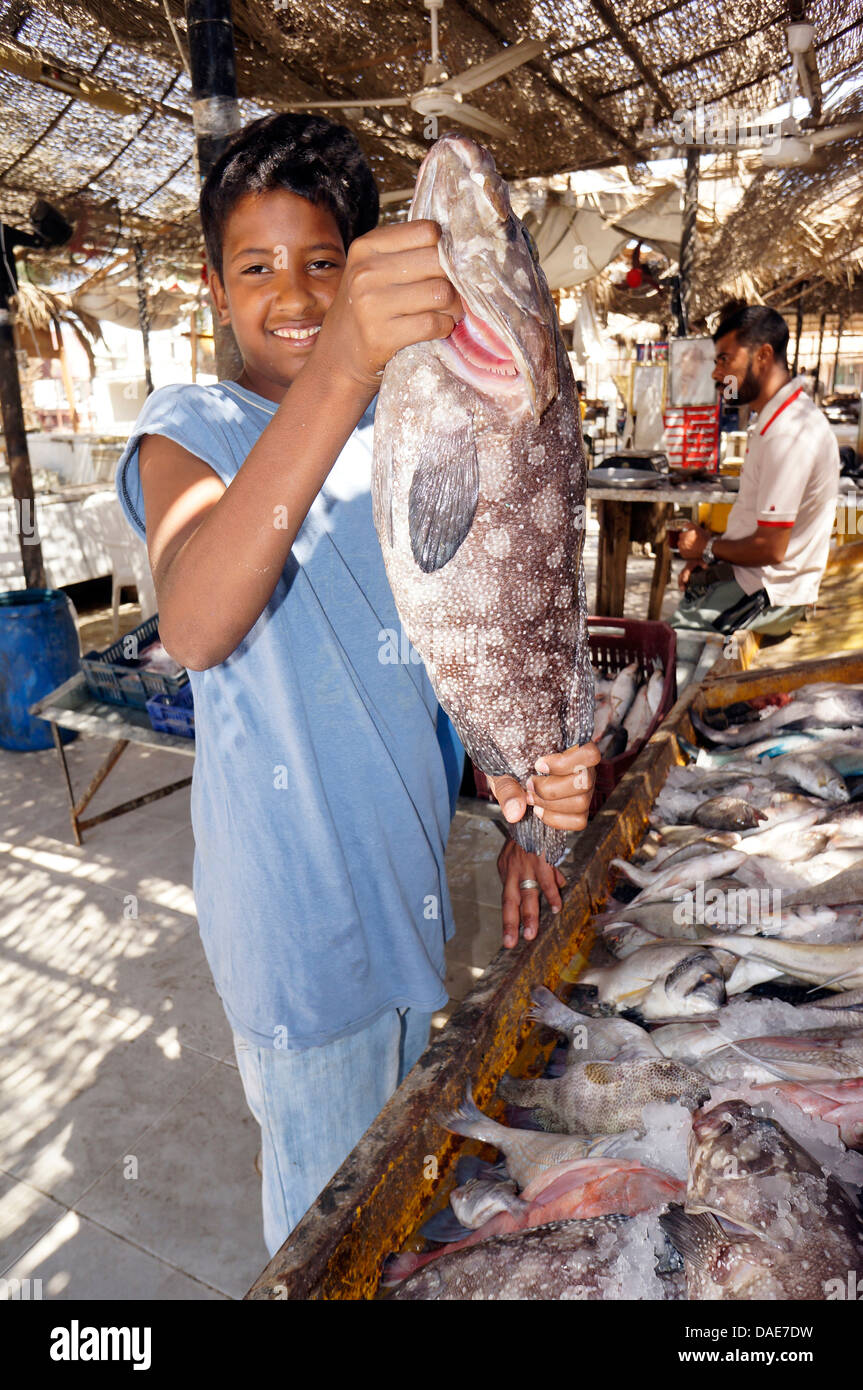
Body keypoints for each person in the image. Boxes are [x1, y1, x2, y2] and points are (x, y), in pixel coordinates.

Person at [115, 114, 599, 1258]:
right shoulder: (189, 432)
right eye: (257, 265)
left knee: (388, 1176)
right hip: (295, 934)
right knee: (328, 1225)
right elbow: (192, 620)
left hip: (405, 905)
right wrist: (340, 367)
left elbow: (455, 645)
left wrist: (526, 802)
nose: (291, 292)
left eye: (321, 262)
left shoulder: (409, 425)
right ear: (211, 285)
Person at [671, 301, 839, 638]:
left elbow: (770, 547)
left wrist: (706, 546)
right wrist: (711, 557)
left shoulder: (789, 433)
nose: (717, 374)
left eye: (725, 359)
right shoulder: (778, 419)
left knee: (674, 642)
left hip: (770, 595)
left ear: (762, 356)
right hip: (754, 578)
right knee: (689, 595)